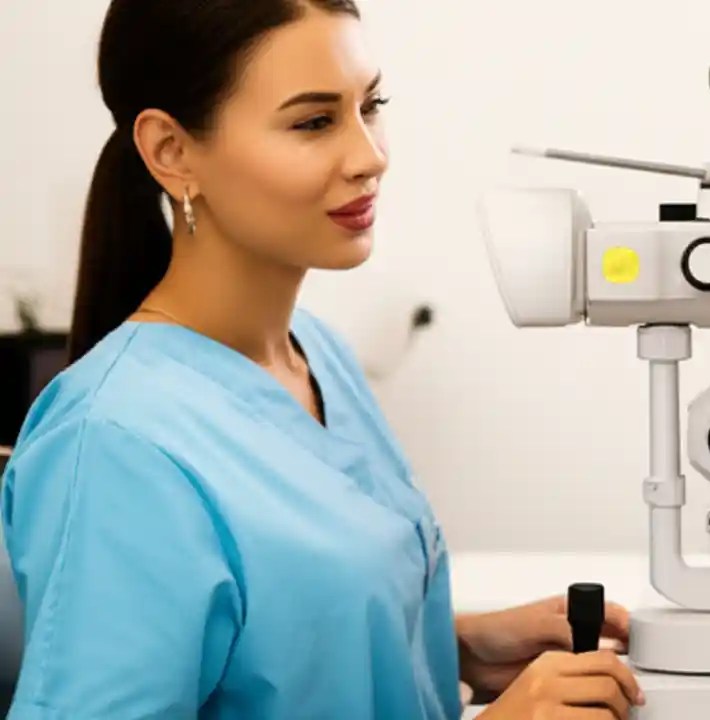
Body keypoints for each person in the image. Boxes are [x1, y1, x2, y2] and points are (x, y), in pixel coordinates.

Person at [0, 1, 644, 718]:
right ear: (172, 152)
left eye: (372, 105)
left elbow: (272, 641)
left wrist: (448, 645)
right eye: (314, 122)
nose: (370, 155)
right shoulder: (117, 442)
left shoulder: (319, 357)